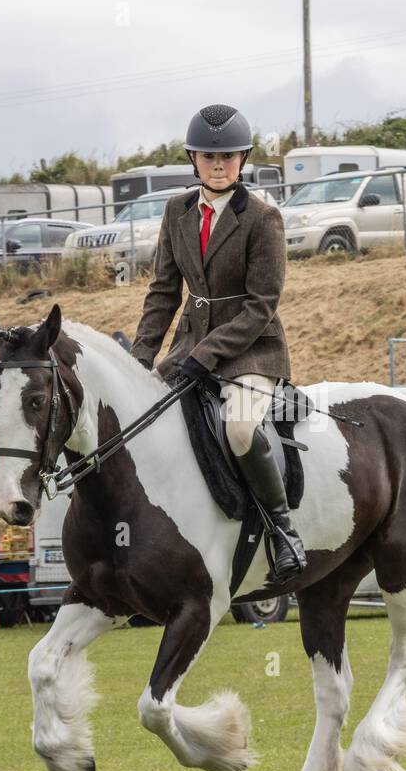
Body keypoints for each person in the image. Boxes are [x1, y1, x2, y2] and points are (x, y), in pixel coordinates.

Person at [130, 104, 306, 581]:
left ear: (243, 159)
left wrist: (205, 356)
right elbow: (164, 292)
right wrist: (140, 358)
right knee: (142, 421)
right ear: (193, 159)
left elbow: (261, 305)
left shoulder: (263, 219)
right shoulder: (177, 211)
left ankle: (282, 530)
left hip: (252, 350)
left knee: (240, 430)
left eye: (228, 156)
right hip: (188, 348)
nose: (218, 165)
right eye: (209, 157)